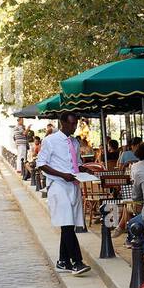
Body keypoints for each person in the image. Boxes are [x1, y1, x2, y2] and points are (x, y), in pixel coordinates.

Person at [35, 114, 91, 276]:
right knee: (66, 223)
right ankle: (77, 262)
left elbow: (76, 163)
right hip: (58, 185)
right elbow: (42, 164)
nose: (74, 127)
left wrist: (84, 169)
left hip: (73, 184)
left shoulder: (74, 142)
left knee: (69, 223)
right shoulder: (50, 140)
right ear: (63, 123)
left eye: (76, 124)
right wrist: (61, 175)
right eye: (72, 124)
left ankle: (63, 260)